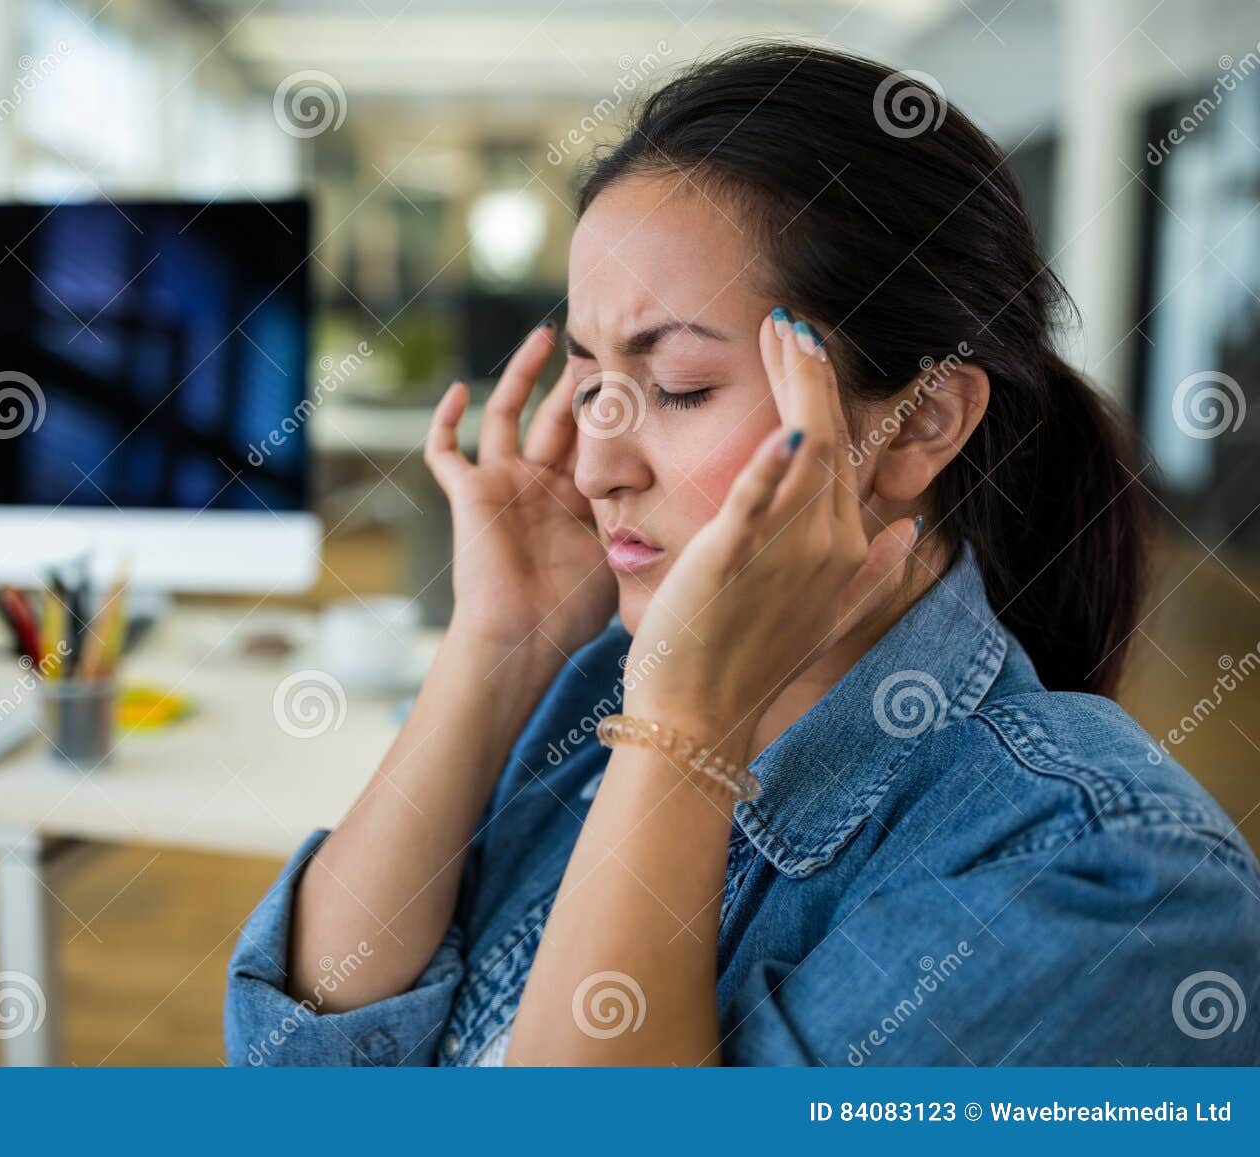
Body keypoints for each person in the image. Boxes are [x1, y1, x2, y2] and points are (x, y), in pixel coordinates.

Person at [226, 42, 1260, 1066]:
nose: (594, 464)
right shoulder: (591, 694)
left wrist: (685, 733)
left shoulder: (1111, 883)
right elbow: (293, 1069)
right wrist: (498, 644)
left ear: (914, 424)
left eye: (678, 383)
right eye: (587, 380)